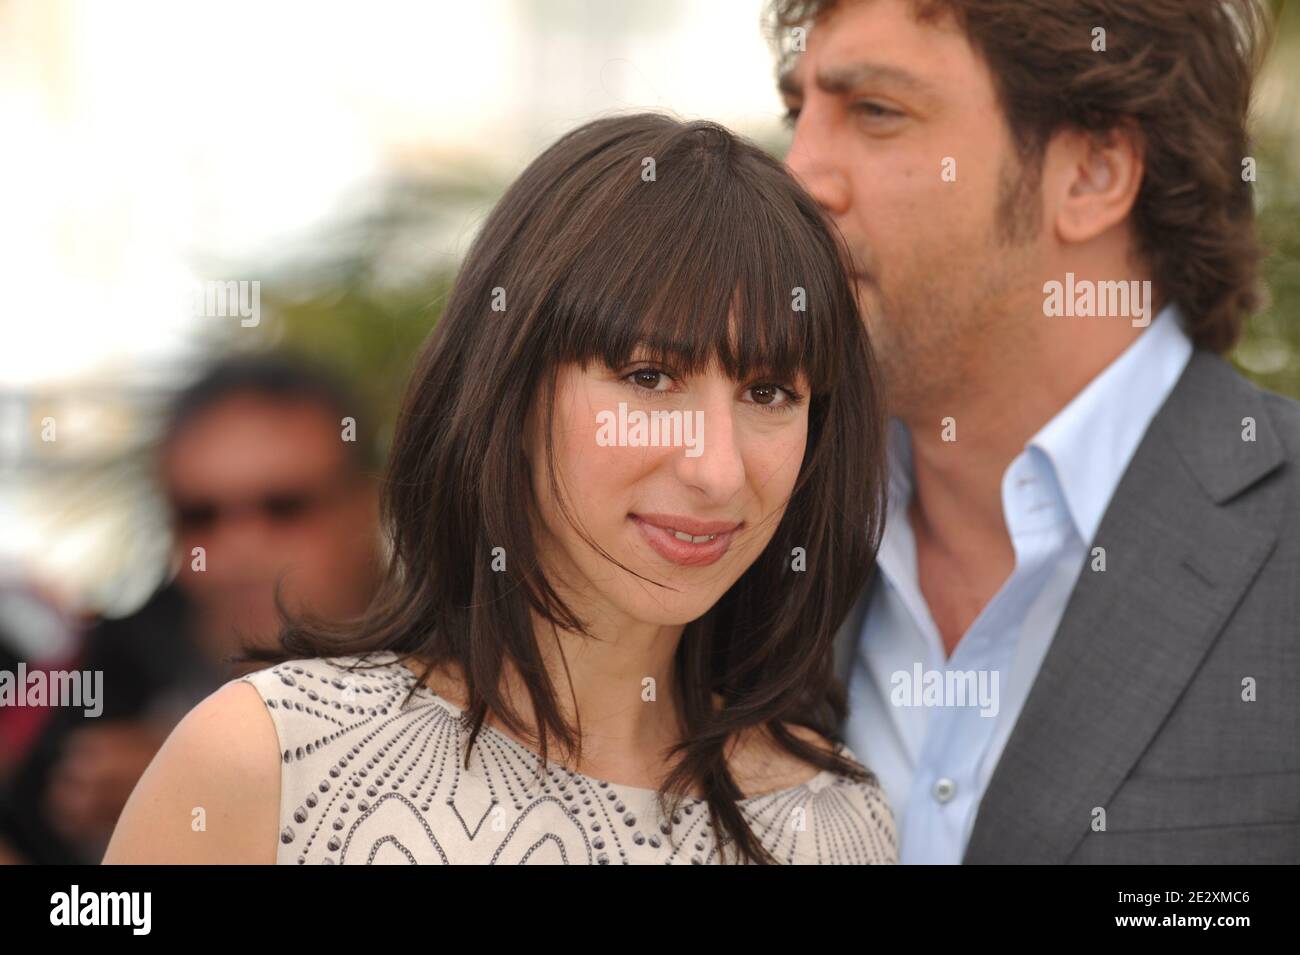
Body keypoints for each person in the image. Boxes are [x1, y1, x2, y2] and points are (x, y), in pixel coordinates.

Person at [105, 113, 899, 865]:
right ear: (511, 392)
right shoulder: (271, 759)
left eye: (769, 393)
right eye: (649, 376)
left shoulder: (829, 820)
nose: (716, 466)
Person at [771, 0, 1298, 863]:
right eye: (799, 114)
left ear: (1092, 173)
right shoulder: (752, 523)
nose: (798, 174)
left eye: (875, 112)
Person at [1, 352, 382, 863]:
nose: (240, 548)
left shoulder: (474, 662)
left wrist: (214, 792)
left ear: (368, 501)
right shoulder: (99, 681)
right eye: (200, 516)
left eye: (285, 506)